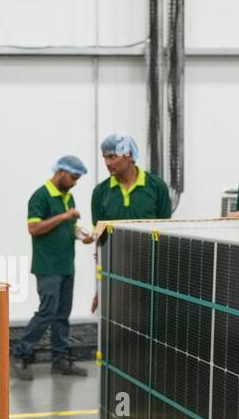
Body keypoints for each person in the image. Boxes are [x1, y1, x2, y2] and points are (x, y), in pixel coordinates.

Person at [12, 155, 93, 380]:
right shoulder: (41, 196)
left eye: (78, 179)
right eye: (73, 177)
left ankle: (60, 360)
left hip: (66, 265)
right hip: (47, 266)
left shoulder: (69, 197)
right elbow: (34, 228)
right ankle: (20, 354)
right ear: (60, 172)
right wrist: (64, 215)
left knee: (62, 315)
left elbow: (70, 227)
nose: (75, 182)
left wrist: (81, 235)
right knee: (47, 312)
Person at [89, 132, 171, 312]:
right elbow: (99, 239)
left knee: (148, 317)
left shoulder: (156, 188)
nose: (108, 163)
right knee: (118, 321)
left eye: (112, 156)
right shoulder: (101, 193)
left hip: (150, 270)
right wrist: (99, 287)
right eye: (104, 157)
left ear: (130, 156)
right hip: (116, 271)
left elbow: (167, 232)